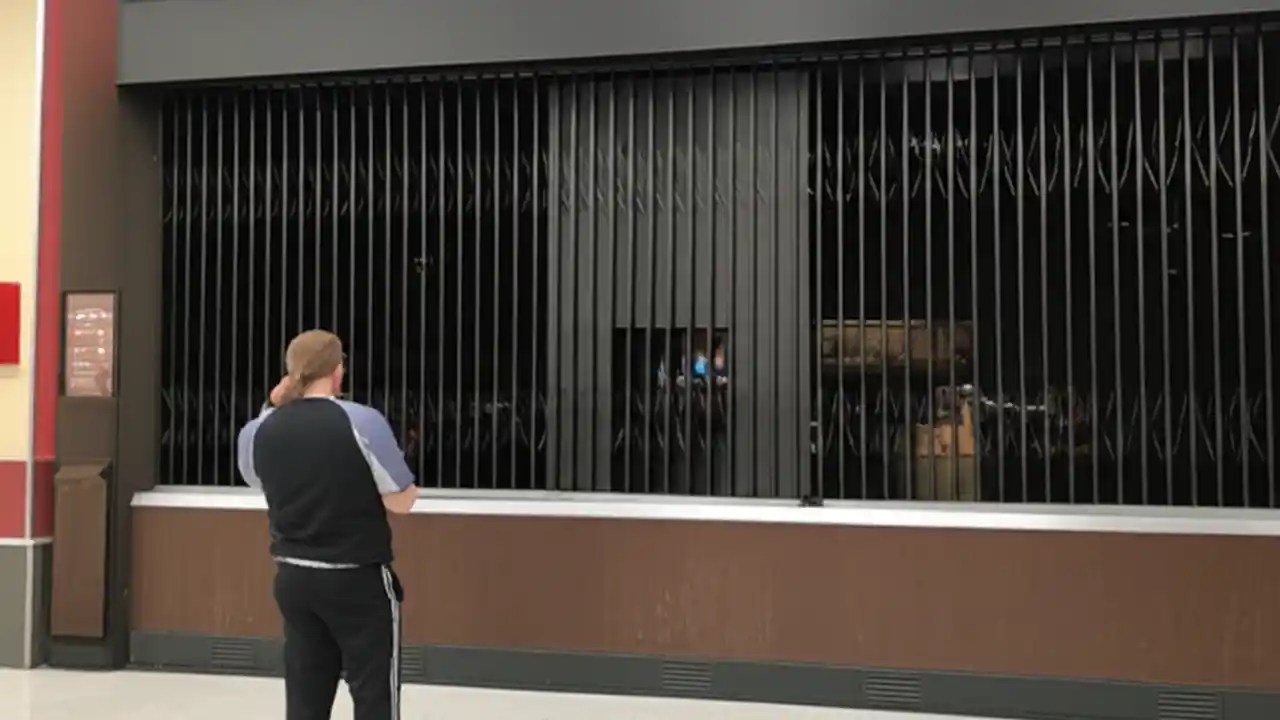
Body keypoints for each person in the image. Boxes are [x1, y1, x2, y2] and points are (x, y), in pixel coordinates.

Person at [237, 330, 418, 720]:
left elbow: (255, 478)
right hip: (357, 578)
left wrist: (272, 404)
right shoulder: (361, 421)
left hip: (294, 579)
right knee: (374, 694)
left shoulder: (259, 430)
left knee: (306, 695)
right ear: (338, 371)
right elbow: (402, 501)